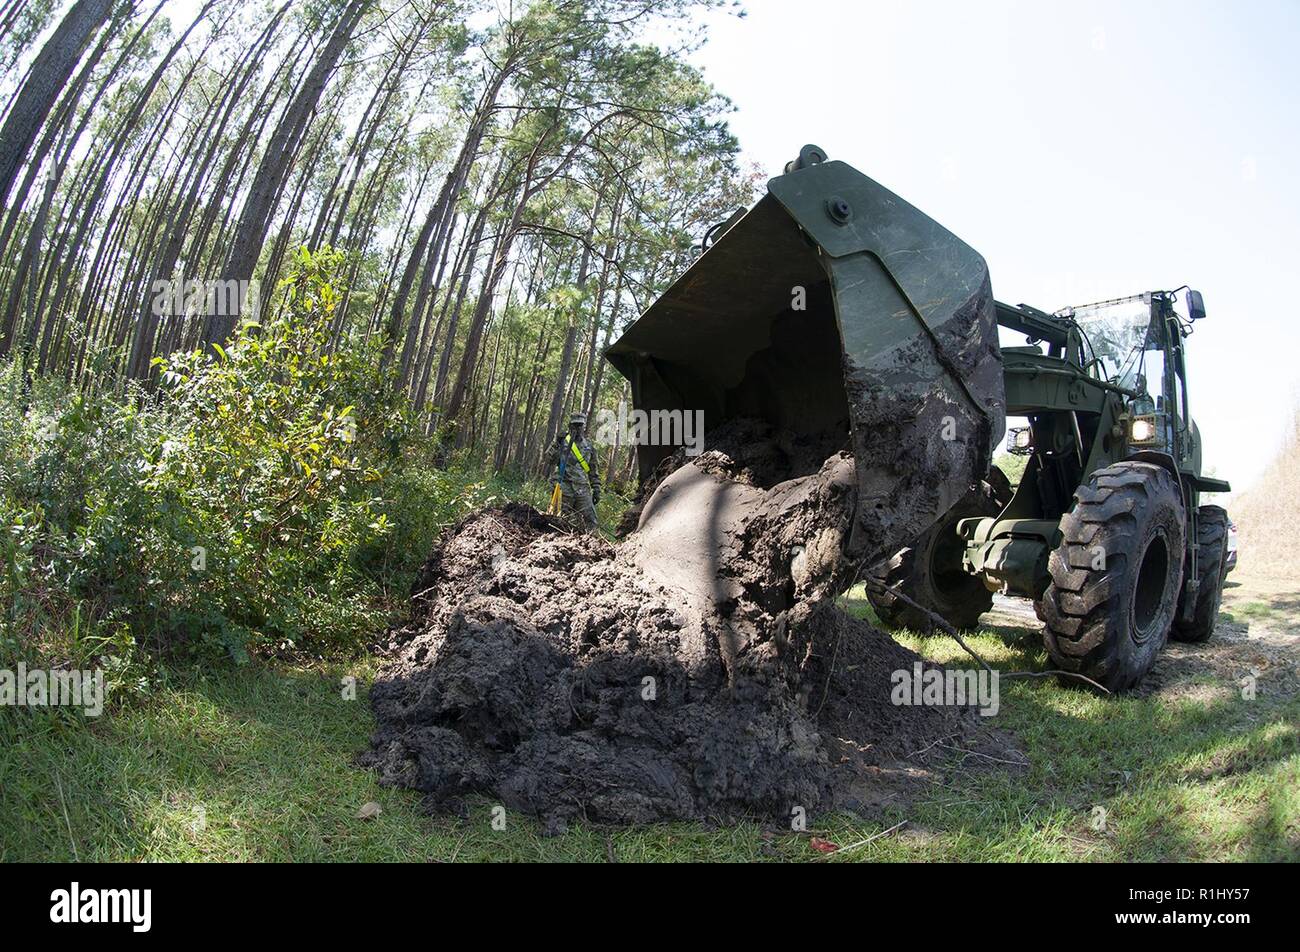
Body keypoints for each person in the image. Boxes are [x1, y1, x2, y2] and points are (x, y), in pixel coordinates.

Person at [552, 412, 601, 532]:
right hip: (564, 486)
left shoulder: (589, 446)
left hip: (582, 488)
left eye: (580, 425)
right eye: (575, 425)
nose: (577, 428)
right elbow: (550, 460)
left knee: (590, 522)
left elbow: (593, 469)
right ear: (570, 426)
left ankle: (589, 545)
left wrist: (596, 488)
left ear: (584, 427)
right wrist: (557, 444)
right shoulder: (562, 442)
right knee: (559, 521)